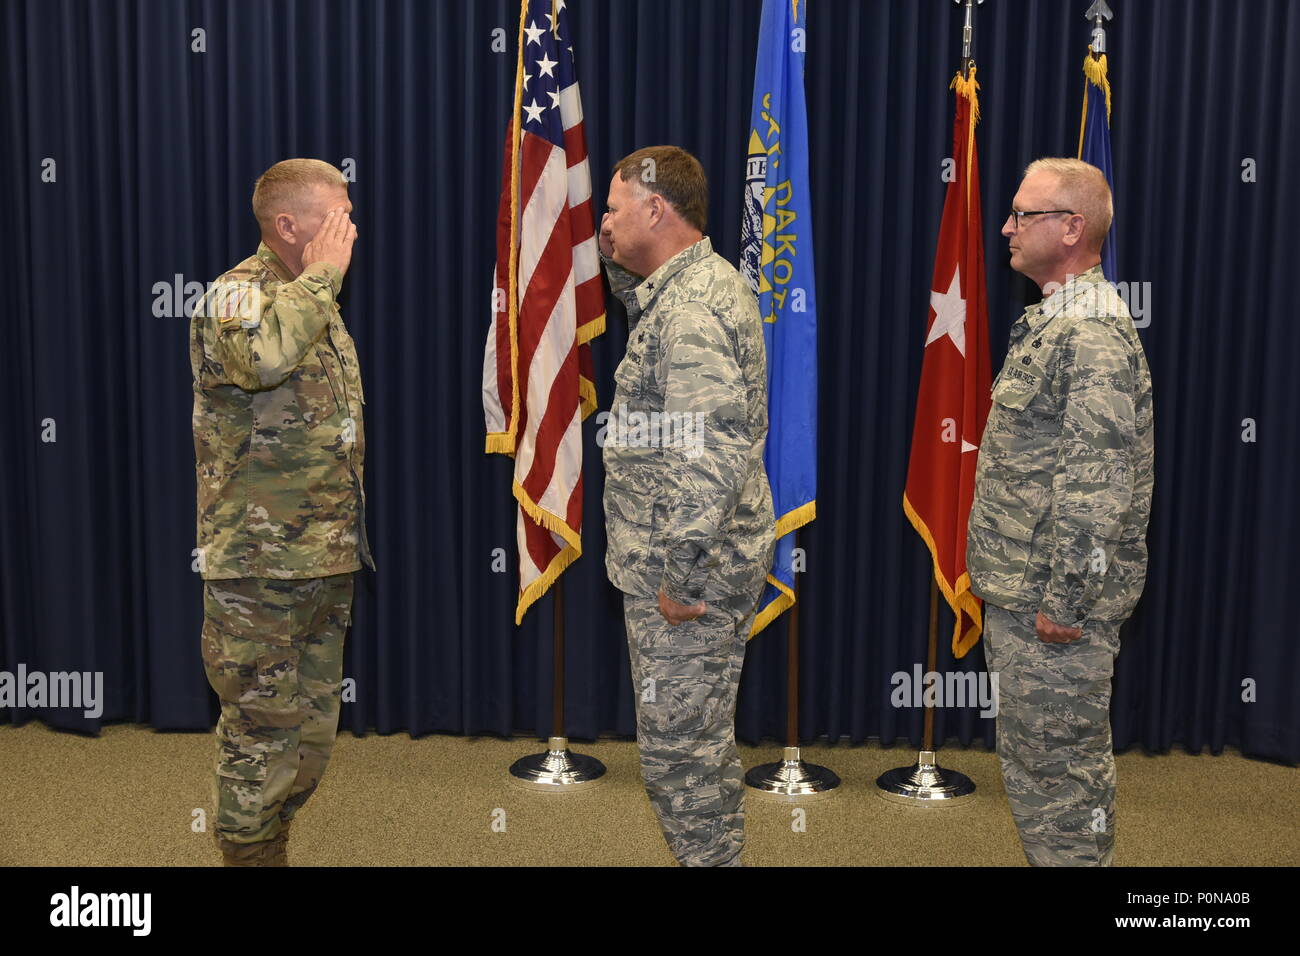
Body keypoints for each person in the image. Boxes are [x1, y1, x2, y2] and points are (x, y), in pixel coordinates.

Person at [967, 157, 1154, 866]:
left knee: (1062, 795)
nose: (1008, 228)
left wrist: (1066, 601)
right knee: (1044, 783)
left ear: (1072, 228)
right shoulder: (1057, 320)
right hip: (1027, 597)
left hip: (1054, 612)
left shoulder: (1091, 334)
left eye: (1024, 214)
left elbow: (1096, 485)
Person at [190, 158, 373, 866]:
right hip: (259, 570)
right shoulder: (237, 295)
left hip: (325, 558)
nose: (350, 227)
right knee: (260, 742)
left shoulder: (310, 301)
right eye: (337, 213)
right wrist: (322, 277)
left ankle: (272, 853)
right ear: (289, 224)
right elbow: (261, 359)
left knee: (309, 742)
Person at [598, 145, 776, 867]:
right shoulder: (681, 290)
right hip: (682, 566)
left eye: (612, 210)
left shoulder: (694, 308)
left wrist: (682, 573)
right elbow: (628, 287)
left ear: (654, 210)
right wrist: (616, 249)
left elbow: (709, 453)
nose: (602, 224)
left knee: (683, 761)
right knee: (689, 750)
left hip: (688, 581)